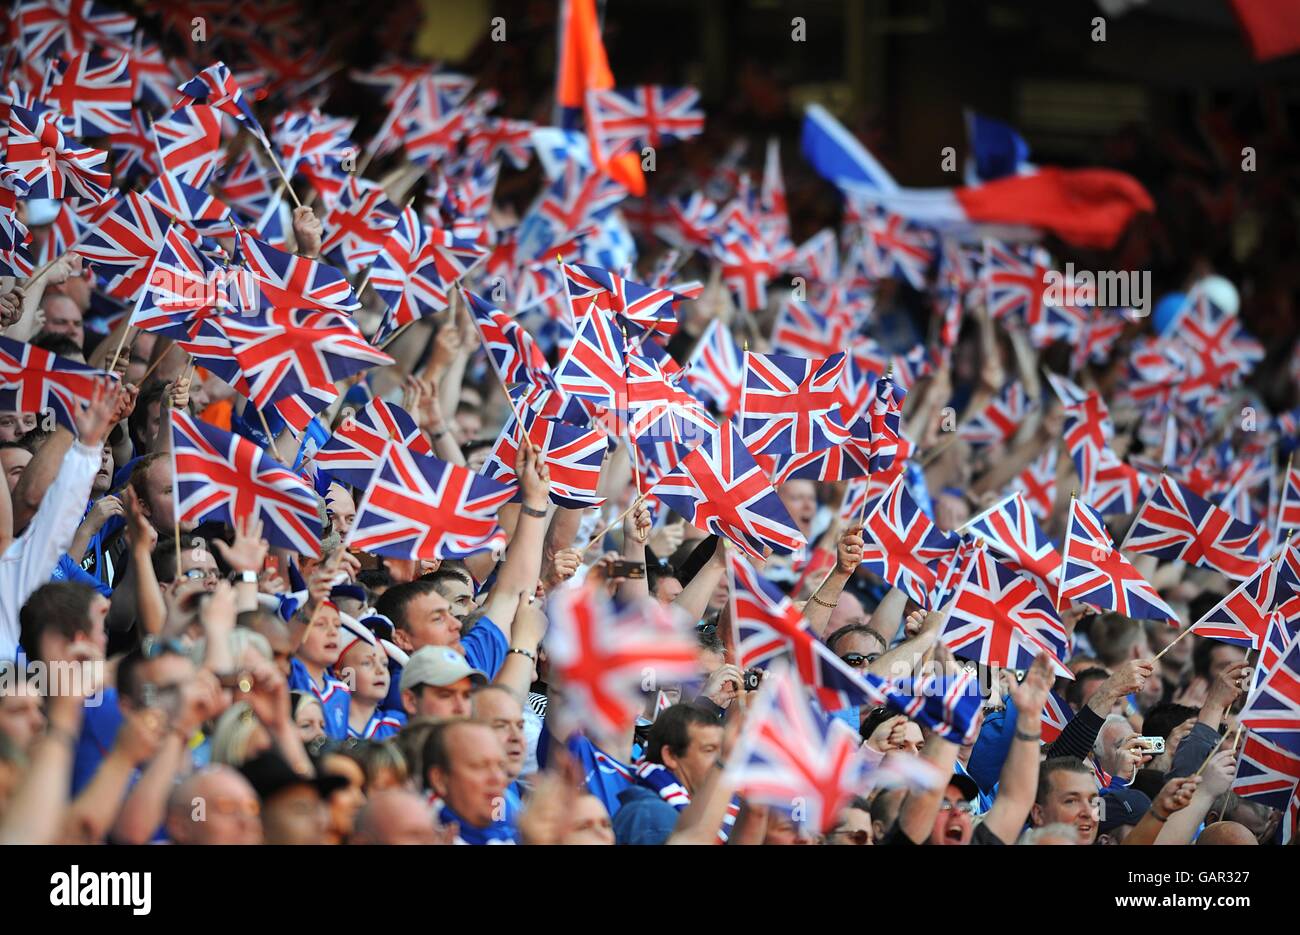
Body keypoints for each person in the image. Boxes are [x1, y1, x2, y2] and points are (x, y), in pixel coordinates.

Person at [613, 703, 722, 846]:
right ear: (670, 755)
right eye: (709, 750)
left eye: (723, 752)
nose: (720, 762)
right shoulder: (653, 816)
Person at [421, 719, 516, 845]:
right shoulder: (414, 836)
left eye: (501, 766)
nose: (498, 778)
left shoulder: (514, 833)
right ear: (440, 780)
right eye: (480, 766)